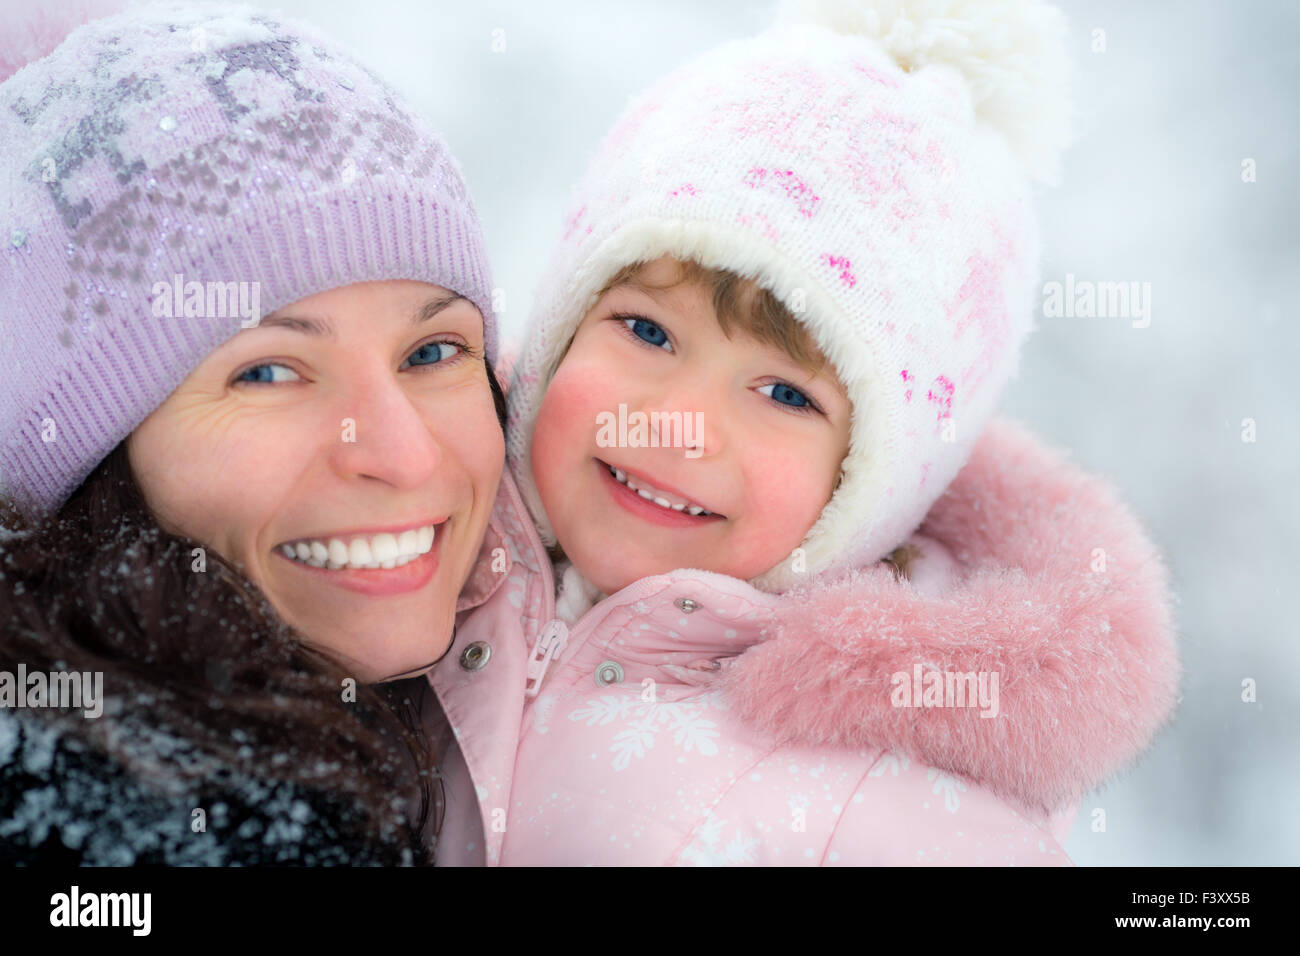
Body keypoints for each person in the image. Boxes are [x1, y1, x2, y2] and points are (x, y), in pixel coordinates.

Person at [426, 0, 1180, 864]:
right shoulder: (416, 583)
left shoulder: (895, 803)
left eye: (786, 394)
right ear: (561, 330)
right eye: (646, 331)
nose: (680, 427)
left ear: (873, 486)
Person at [0, 1, 504, 864]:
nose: (403, 453)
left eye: (432, 350)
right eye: (267, 373)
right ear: (84, 456)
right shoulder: (138, 825)